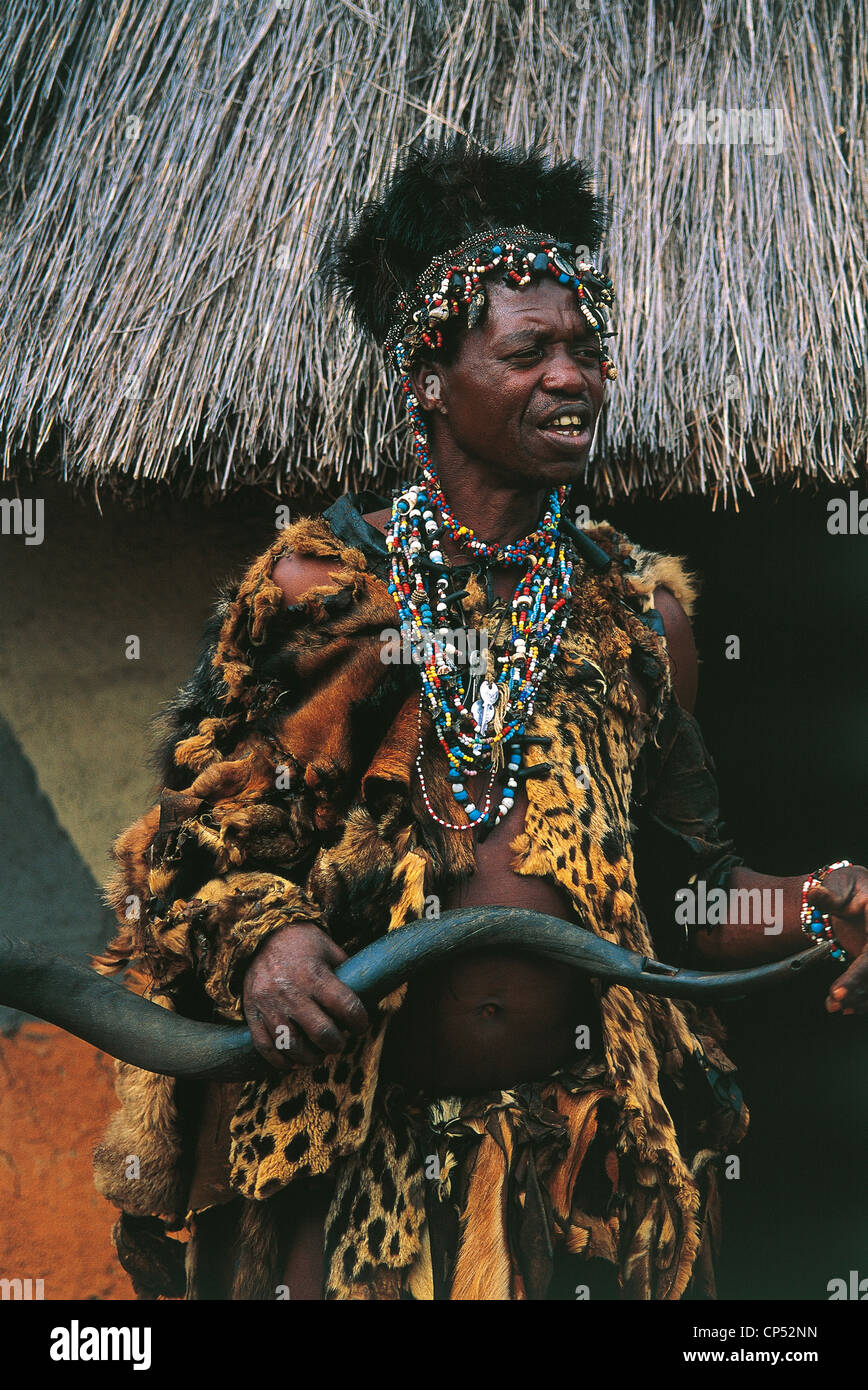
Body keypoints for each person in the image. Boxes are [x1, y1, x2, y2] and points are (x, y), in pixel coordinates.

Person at [93, 138, 868, 1301]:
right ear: (426, 374)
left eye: (587, 349)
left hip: (578, 1164)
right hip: (352, 1162)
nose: (575, 377)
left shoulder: (638, 618)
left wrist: (828, 897)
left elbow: (684, 893)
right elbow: (199, 849)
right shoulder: (321, 592)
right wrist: (271, 941)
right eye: (529, 351)